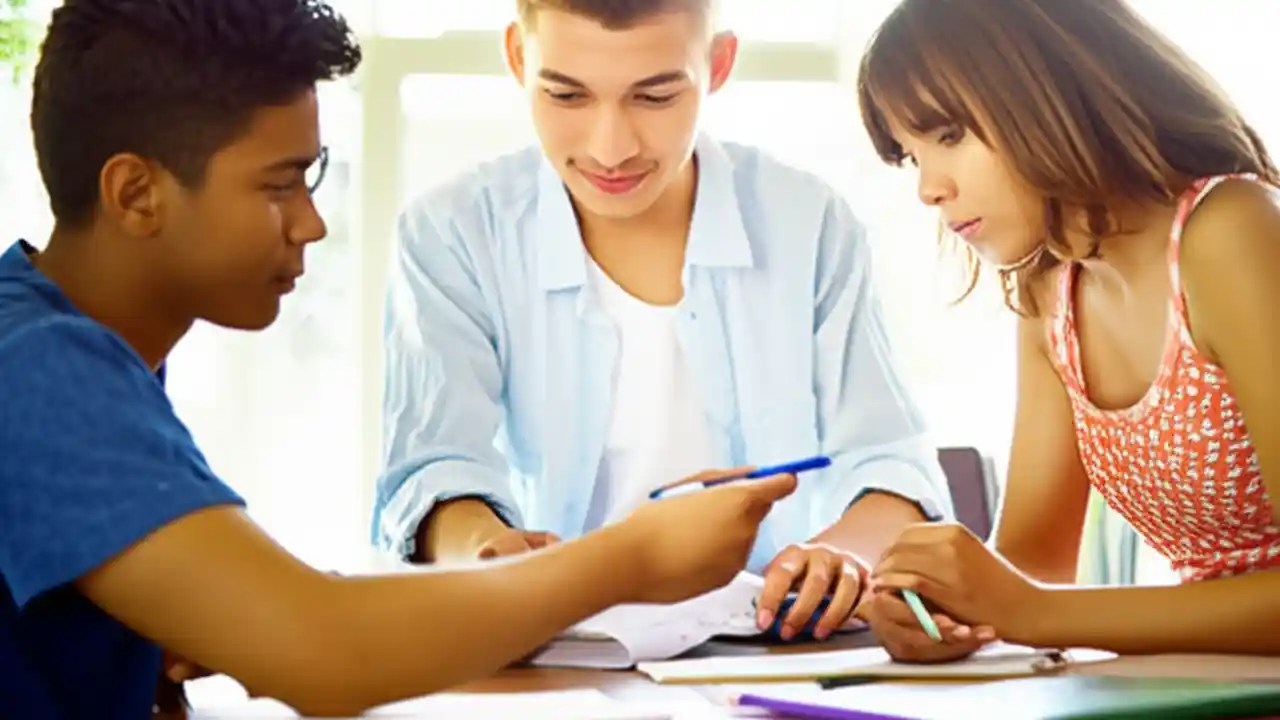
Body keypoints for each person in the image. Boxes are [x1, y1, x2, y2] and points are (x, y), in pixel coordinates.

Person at [0, 1, 802, 718]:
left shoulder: (86, 353)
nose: (312, 224)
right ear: (136, 194)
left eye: (310, 178)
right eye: (279, 186)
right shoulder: (37, 370)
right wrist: (638, 556)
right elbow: (322, 655)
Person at [375, 0, 956, 645]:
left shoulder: (808, 222)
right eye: (567, 96)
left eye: (654, 97)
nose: (611, 148)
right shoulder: (452, 233)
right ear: (518, 58)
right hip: (550, 655)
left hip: (773, 649)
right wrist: (490, 557)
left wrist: (844, 556)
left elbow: (888, 460)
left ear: (718, 64)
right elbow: (433, 471)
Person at [857, 0, 1280, 661]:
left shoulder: (1232, 231)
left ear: (1049, 93)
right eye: (910, 157)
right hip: (1221, 681)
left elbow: (1039, 605)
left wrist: (1029, 610)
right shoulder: (1053, 292)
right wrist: (947, 614)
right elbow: (1033, 568)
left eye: (948, 136)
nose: (930, 189)